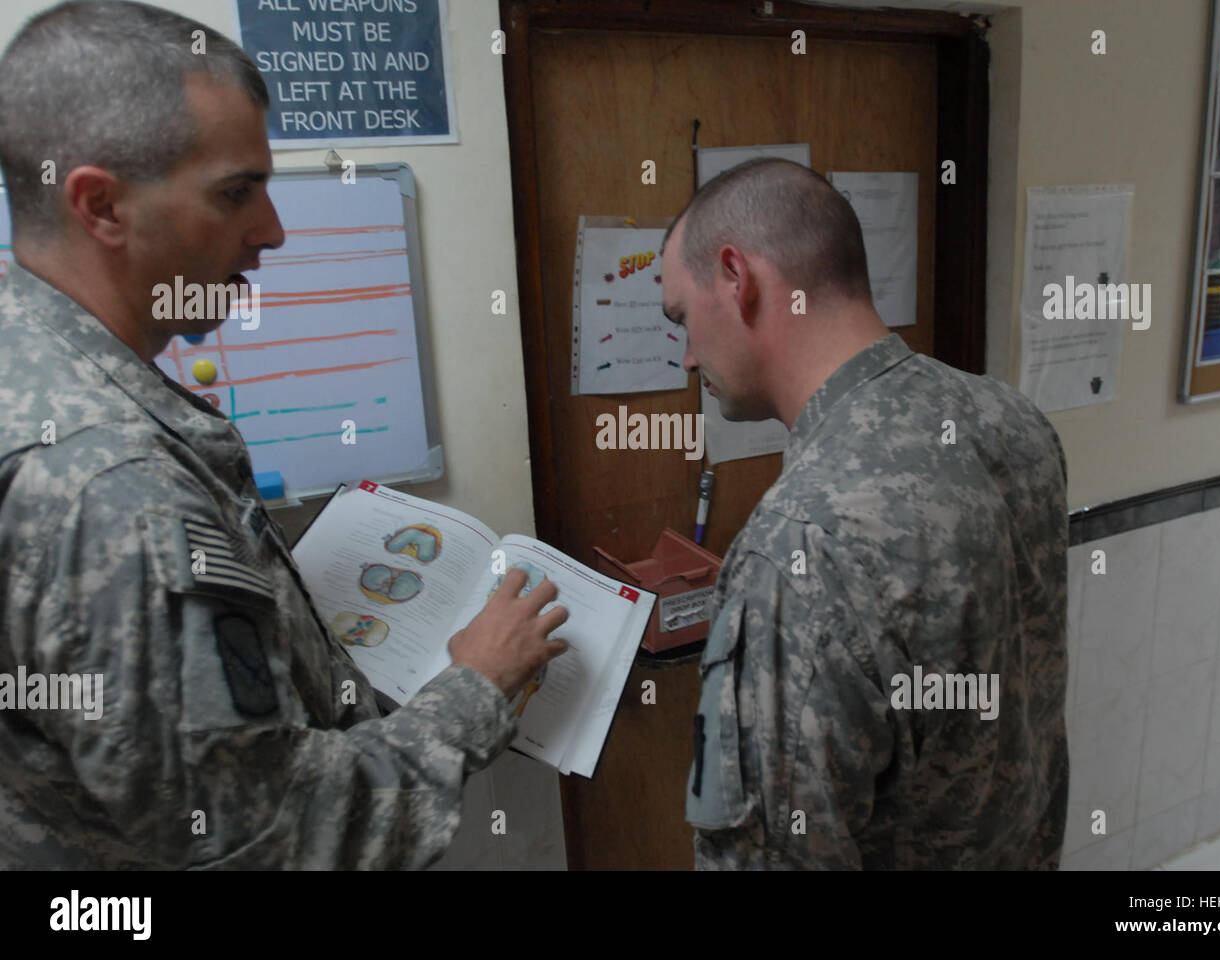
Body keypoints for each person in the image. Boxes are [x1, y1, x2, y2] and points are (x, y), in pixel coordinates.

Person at [0, 0, 568, 869]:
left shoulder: (32, 357)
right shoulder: (112, 482)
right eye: (236, 193)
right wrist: (475, 690)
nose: (273, 231)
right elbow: (267, 837)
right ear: (101, 205)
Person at [660, 158, 1069, 869]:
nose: (689, 357)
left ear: (737, 277)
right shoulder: (1012, 420)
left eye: (682, 317)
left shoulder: (799, 546)